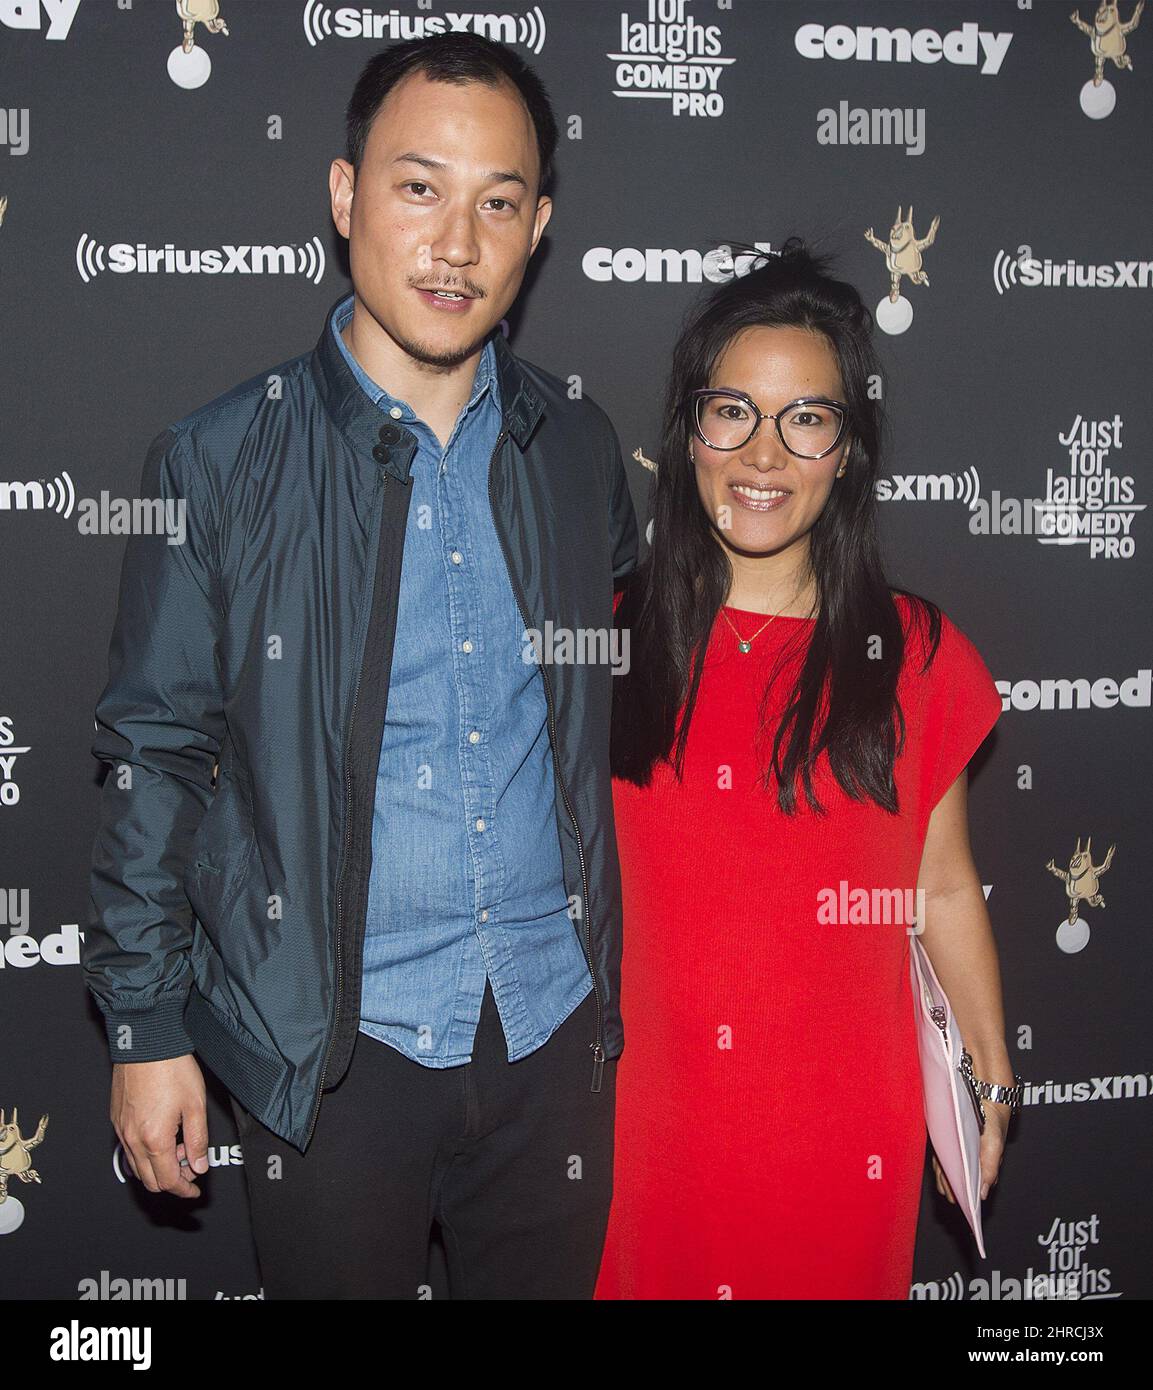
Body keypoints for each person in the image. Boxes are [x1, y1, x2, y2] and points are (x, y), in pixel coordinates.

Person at [84, 33, 638, 1300]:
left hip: (550, 1036)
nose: (457, 241)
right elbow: (153, 756)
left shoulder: (576, 448)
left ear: (538, 225)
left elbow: (604, 696)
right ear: (344, 197)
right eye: (418, 186)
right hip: (333, 1057)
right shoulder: (219, 461)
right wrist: (146, 1026)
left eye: (499, 201)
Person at [594, 239, 1020, 1300]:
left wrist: (987, 1067)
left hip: (841, 1145)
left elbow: (943, 884)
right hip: (638, 1140)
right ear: (689, 434)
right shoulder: (606, 642)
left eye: (807, 418)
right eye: (732, 410)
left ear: (847, 450)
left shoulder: (919, 656)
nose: (763, 454)